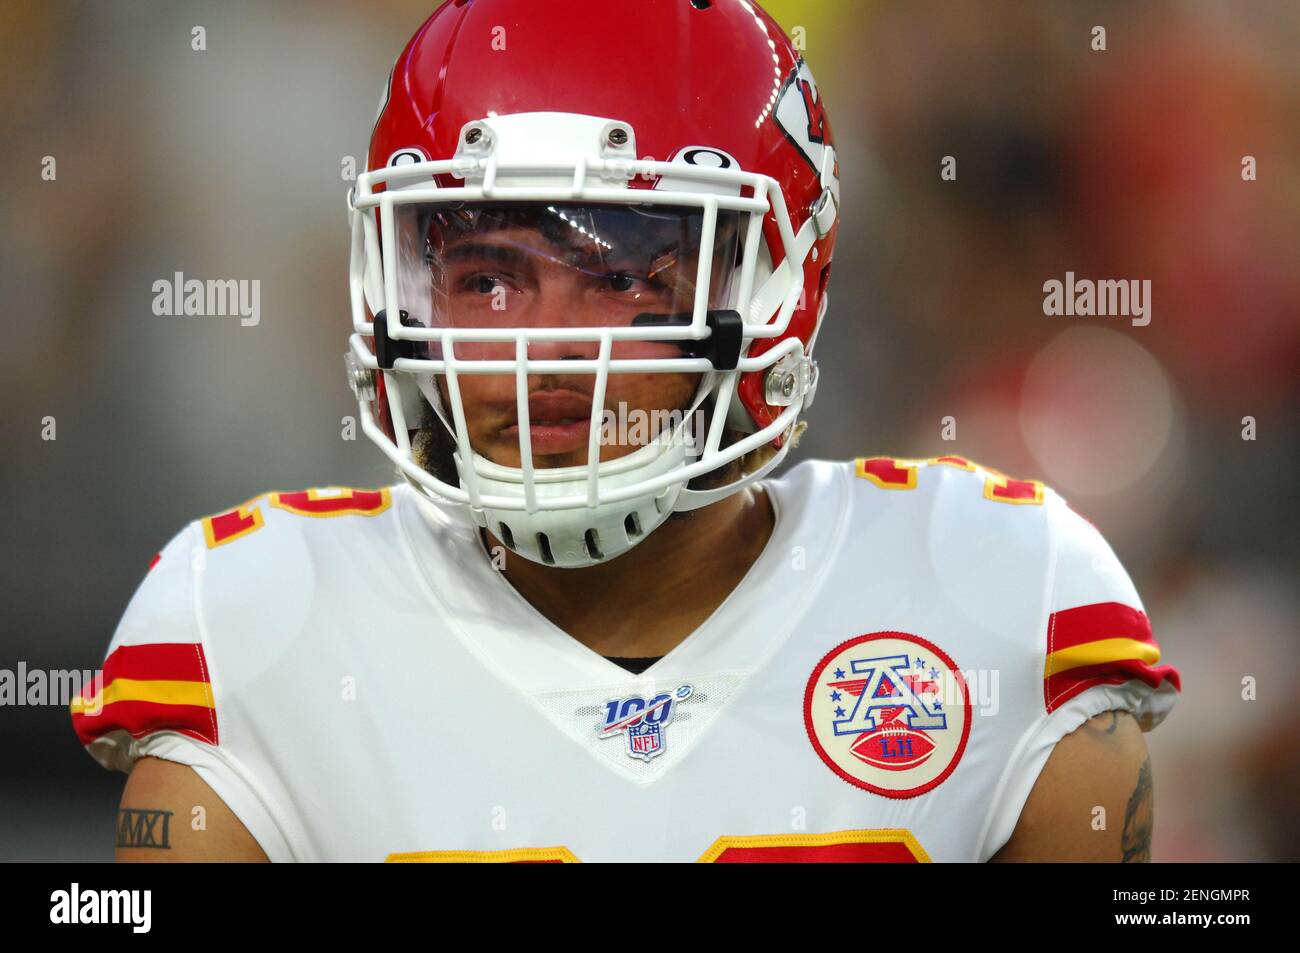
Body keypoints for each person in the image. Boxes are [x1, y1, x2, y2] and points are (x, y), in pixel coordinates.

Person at [73, 0, 1179, 862]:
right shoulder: (260, 622)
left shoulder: (994, 589)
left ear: (778, 284)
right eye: (485, 277)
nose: (549, 346)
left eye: (627, 277)